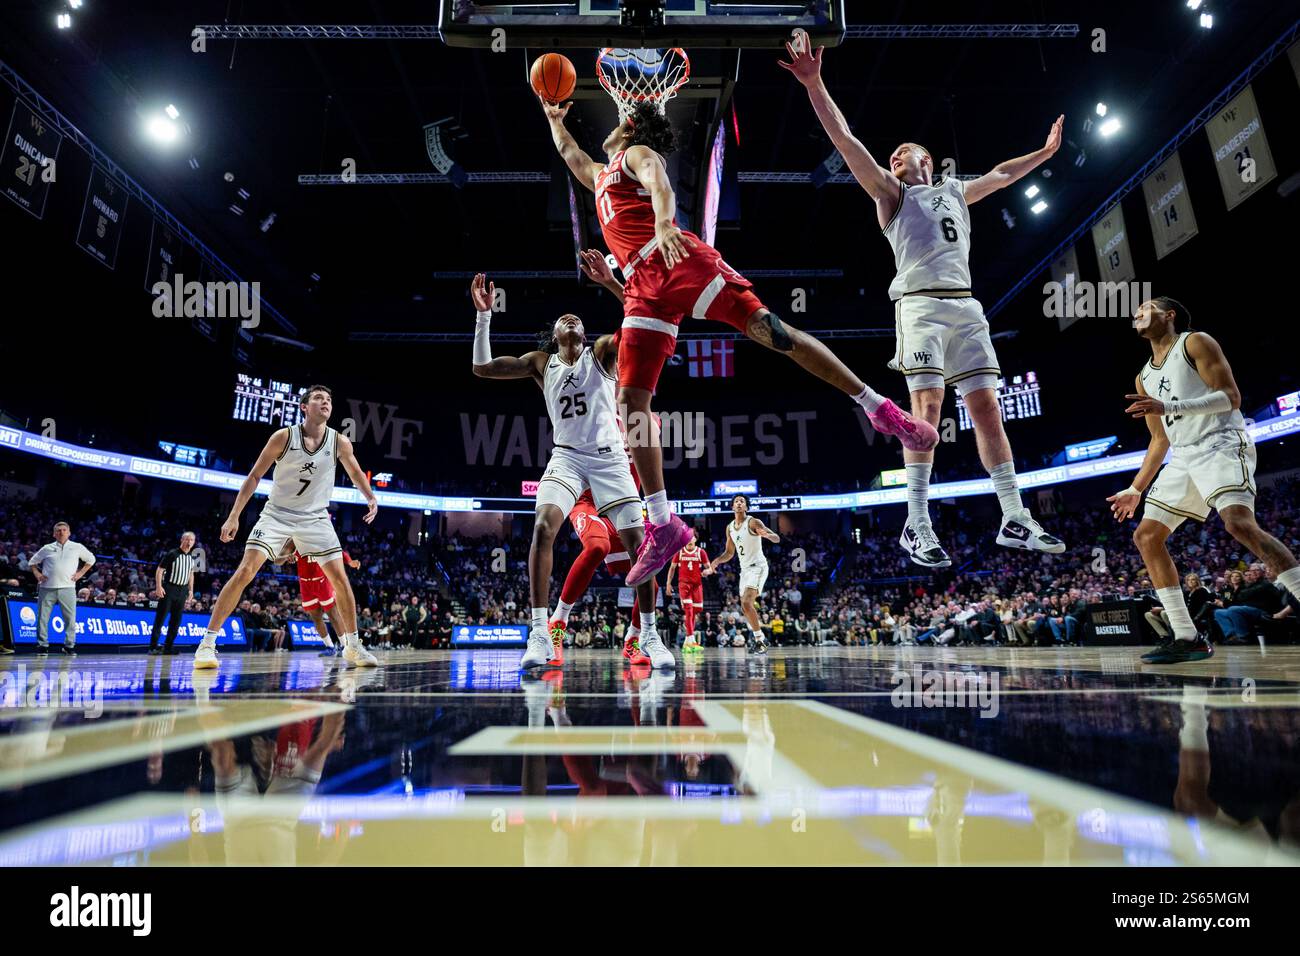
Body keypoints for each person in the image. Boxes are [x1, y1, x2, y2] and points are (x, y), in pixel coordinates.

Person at [540, 95, 938, 587]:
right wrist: (553, 119)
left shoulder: (636, 153)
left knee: (775, 334)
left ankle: (878, 407)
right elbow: (571, 155)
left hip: (674, 258)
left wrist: (666, 223)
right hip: (642, 287)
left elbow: (660, 183)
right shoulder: (599, 173)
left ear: (629, 126)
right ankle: (663, 524)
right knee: (630, 400)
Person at [781, 37, 1065, 568]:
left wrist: (1044, 154)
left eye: (901, 152)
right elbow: (845, 141)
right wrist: (814, 83)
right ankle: (916, 523)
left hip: (967, 307)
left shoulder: (956, 190)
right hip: (920, 308)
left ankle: (1014, 516)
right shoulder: (892, 194)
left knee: (987, 413)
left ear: (926, 160)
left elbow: (1002, 174)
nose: (893, 157)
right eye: (891, 156)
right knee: (926, 414)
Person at [469, 272, 672, 670]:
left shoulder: (600, 353)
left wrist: (613, 282)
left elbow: (633, 326)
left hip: (610, 459)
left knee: (640, 547)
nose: (571, 318)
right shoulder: (540, 364)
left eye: (576, 318)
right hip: (567, 457)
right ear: (556, 333)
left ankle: (648, 634)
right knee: (544, 526)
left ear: (582, 332)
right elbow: (482, 369)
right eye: (564, 318)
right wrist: (484, 318)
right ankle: (541, 632)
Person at [1110, 298, 1300, 663]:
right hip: (1183, 456)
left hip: (1219, 442)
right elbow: (1159, 440)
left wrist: (1170, 407)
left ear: (1170, 315)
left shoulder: (1195, 342)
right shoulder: (1142, 376)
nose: (1137, 313)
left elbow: (1231, 398)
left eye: (1146, 307)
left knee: (1238, 523)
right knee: (1146, 535)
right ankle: (1186, 635)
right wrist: (1136, 488)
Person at [193, 385, 380, 670]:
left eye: (329, 399)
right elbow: (255, 475)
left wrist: (370, 497)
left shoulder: (339, 442)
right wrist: (234, 516)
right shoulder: (284, 437)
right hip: (277, 513)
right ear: (304, 407)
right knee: (245, 571)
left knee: (340, 580)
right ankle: (206, 645)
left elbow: (355, 471)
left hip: (316, 518)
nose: (325, 402)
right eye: (318, 398)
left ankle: (353, 646)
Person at [705, 495, 780, 654]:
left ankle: (761, 640)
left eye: (742, 502)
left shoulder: (753, 522)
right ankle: (759, 639)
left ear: (746, 507)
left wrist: (767, 535)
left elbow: (776, 538)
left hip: (758, 567)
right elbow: (729, 552)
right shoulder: (730, 527)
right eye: (736, 502)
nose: (739, 503)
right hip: (745, 570)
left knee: (746, 602)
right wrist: (717, 561)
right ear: (732, 507)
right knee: (745, 607)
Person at [28, 521, 95, 655]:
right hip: (47, 588)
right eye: (58, 530)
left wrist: (80, 573)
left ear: (69, 532)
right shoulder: (47, 548)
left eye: (64, 530)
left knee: (70, 618)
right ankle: (42, 645)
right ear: (54, 534)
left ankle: (69, 646)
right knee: (43, 618)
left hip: (68, 588)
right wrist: (37, 574)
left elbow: (91, 559)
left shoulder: (77, 547)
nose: (61, 532)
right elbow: (32, 562)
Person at [149, 531, 197, 655]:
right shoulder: (172, 554)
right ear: (182, 540)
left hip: (182, 591)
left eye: (191, 540)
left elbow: (191, 574)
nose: (189, 542)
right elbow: (160, 570)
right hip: (169, 588)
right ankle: (153, 647)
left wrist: (191, 590)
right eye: (187, 539)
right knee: (161, 618)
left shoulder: (192, 557)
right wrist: (158, 587)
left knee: (176, 621)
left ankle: (168, 647)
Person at [665, 530, 709, 653]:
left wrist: (708, 571)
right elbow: (672, 568)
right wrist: (668, 584)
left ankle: (687, 641)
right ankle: (691, 640)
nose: (690, 539)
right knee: (689, 610)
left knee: (696, 611)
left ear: (696, 539)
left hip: (697, 585)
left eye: (692, 537)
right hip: (684, 584)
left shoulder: (701, 552)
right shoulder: (679, 552)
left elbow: (709, 568)